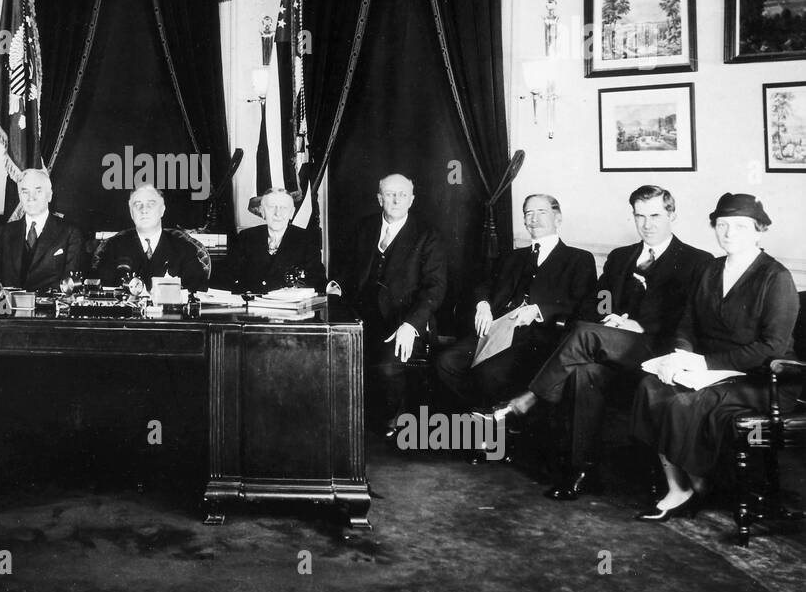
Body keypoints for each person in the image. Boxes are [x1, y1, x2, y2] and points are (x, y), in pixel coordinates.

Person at [483, 185, 711, 499]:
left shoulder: (696, 261)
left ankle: (527, 399)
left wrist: (638, 325)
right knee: (584, 372)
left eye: (655, 215)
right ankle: (583, 470)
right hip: (611, 343)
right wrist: (611, 318)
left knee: (585, 335)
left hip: (659, 350)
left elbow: (690, 318)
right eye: (640, 216)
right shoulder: (621, 258)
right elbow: (597, 303)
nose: (647, 224)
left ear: (672, 214)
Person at [630, 193, 799, 522]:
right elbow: (687, 324)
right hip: (709, 372)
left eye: (739, 226)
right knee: (651, 387)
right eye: (722, 225)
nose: (729, 233)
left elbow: (773, 347)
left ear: (758, 231)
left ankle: (701, 484)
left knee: (683, 404)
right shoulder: (710, 269)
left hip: (763, 379)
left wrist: (705, 364)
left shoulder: (774, 277)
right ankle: (679, 486)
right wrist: (682, 356)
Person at [435, 193, 597, 414]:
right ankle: (487, 416)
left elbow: (585, 305)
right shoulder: (512, 257)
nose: (534, 219)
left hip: (538, 337)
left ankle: (493, 423)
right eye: (529, 213)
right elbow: (484, 285)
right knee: (446, 362)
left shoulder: (579, 259)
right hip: (496, 330)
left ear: (558, 219)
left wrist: (540, 310)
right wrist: (483, 304)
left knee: (488, 373)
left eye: (542, 212)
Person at [345, 174, 446, 434]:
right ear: (380, 198)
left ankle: (393, 423)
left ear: (411, 200)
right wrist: (335, 285)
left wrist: (411, 325)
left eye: (402, 194)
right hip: (361, 319)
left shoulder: (427, 234)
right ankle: (348, 425)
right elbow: (347, 272)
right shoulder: (364, 227)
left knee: (388, 368)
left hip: (405, 321)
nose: (396, 199)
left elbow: (435, 288)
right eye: (390, 194)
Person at [0, 169, 85, 291]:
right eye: (25, 192)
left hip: (49, 306)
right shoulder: (4, 232)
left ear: (49, 195)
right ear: (20, 196)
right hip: (9, 307)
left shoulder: (70, 233)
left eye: (38, 191)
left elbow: (70, 283)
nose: (31, 198)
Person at [91, 184, 209, 291]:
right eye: (138, 205)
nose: (144, 210)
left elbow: (198, 291)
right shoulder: (113, 247)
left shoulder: (184, 248)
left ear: (162, 210)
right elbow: (101, 290)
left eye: (151, 204)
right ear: (131, 212)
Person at [221, 188, 325, 294]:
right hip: (252, 306)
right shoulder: (246, 237)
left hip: (289, 307)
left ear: (291, 213)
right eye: (271, 207)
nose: (277, 213)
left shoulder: (306, 239)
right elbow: (229, 277)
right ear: (262, 211)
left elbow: (318, 281)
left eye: (283, 208)